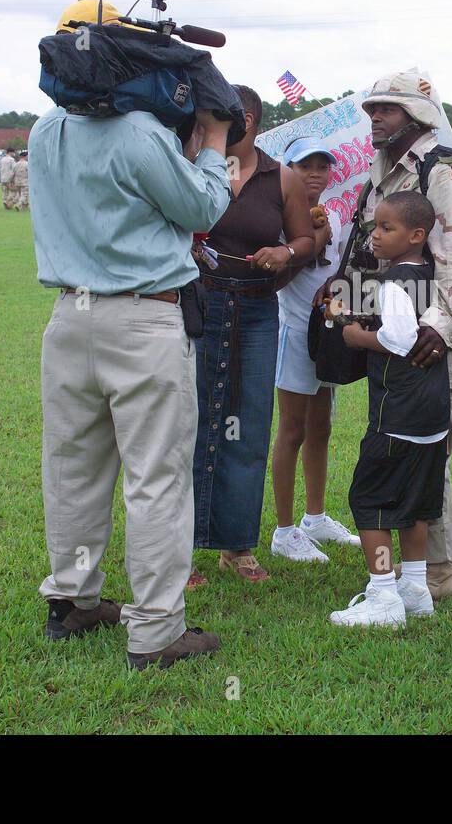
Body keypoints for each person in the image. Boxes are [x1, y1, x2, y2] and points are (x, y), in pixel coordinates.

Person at [29, 0, 234, 671]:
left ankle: (72, 599)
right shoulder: (140, 133)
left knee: (73, 471)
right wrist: (214, 143)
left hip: (68, 319)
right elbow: (203, 206)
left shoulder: (43, 133)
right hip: (143, 317)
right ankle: (154, 629)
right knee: (157, 477)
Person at [326, 69, 452, 600]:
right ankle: (417, 574)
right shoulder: (384, 172)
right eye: (372, 108)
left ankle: (436, 574)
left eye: (387, 109)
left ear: (417, 116)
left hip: (438, 343)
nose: (375, 117)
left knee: (429, 454)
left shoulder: (447, 173)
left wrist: (436, 330)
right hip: (399, 339)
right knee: (409, 451)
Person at [191, 84, 315, 583]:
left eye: (231, 114)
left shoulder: (280, 177)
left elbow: (305, 239)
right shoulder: (196, 164)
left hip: (259, 311)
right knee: (193, 423)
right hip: (199, 304)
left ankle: (238, 545)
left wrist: (286, 253)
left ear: (250, 117)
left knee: (247, 425)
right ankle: (184, 546)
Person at [333, 191, 449, 626]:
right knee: (415, 504)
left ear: (416, 235)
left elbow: (399, 341)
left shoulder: (392, 281)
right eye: (374, 226)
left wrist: (356, 337)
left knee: (372, 501)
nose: (375, 236)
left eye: (387, 228)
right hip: (431, 413)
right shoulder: (428, 272)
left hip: (396, 412)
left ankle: (383, 597)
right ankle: (416, 589)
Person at [269, 137, 361, 563]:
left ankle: (315, 516)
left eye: (323, 166)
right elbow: (281, 277)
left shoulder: (336, 220)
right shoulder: (277, 220)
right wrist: (316, 236)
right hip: (292, 331)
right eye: (305, 165)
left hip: (324, 335)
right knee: (292, 429)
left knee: (321, 426)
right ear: (286, 169)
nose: (315, 173)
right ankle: (284, 529)